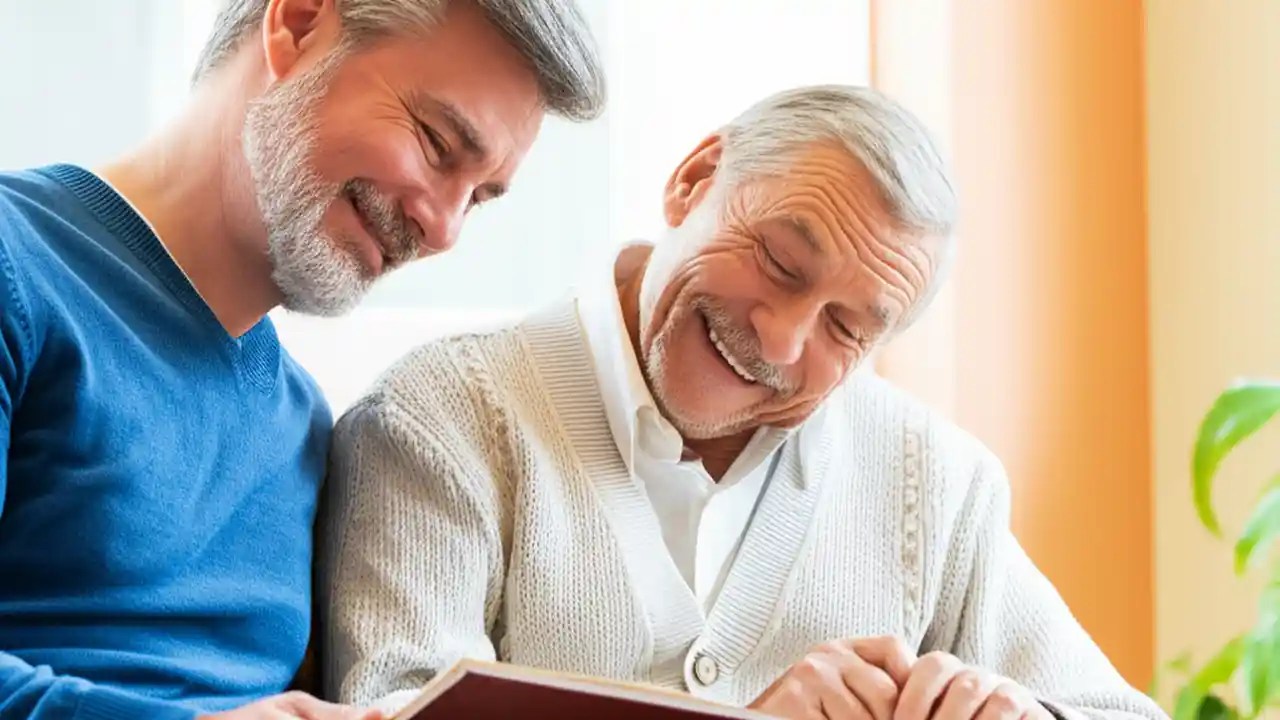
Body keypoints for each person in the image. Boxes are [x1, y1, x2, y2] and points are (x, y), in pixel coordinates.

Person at [319, 85, 1168, 720]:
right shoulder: (439, 422)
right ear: (694, 180)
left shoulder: (937, 485)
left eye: (846, 328)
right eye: (780, 262)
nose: (780, 339)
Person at [0, 0, 603, 717]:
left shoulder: (302, 425)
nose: (443, 229)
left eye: (478, 199)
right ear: (300, 22)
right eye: (437, 144)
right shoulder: (20, 267)